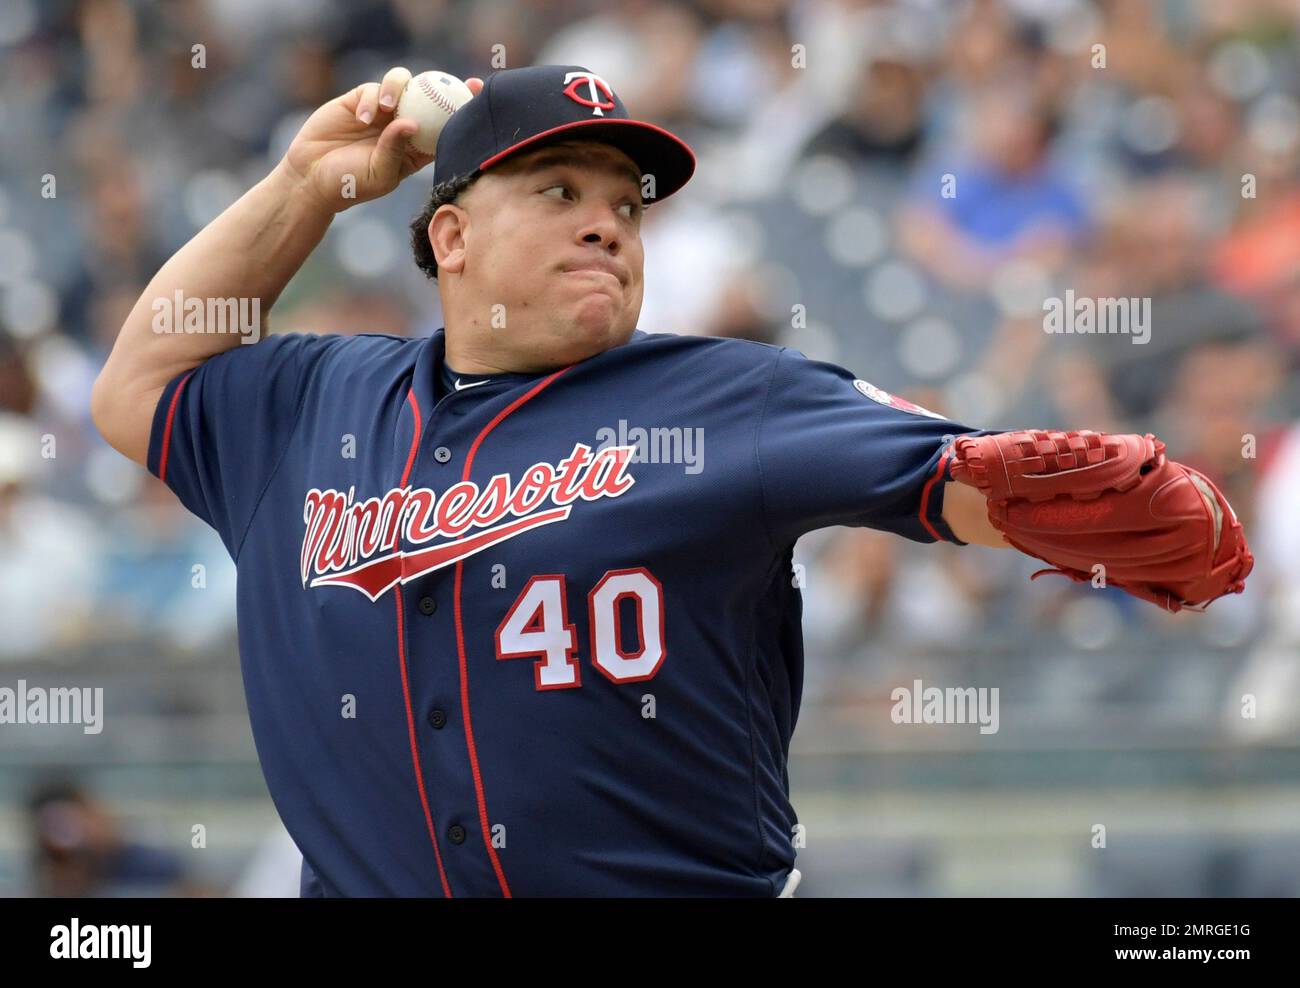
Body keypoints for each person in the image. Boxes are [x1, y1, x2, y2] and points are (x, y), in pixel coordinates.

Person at [90, 64, 1249, 897]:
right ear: (447, 241)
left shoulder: (727, 400)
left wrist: (1099, 507)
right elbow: (134, 383)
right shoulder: (308, 406)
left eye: (622, 204)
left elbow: (960, 482)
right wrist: (311, 180)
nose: (607, 225)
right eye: (558, 192)